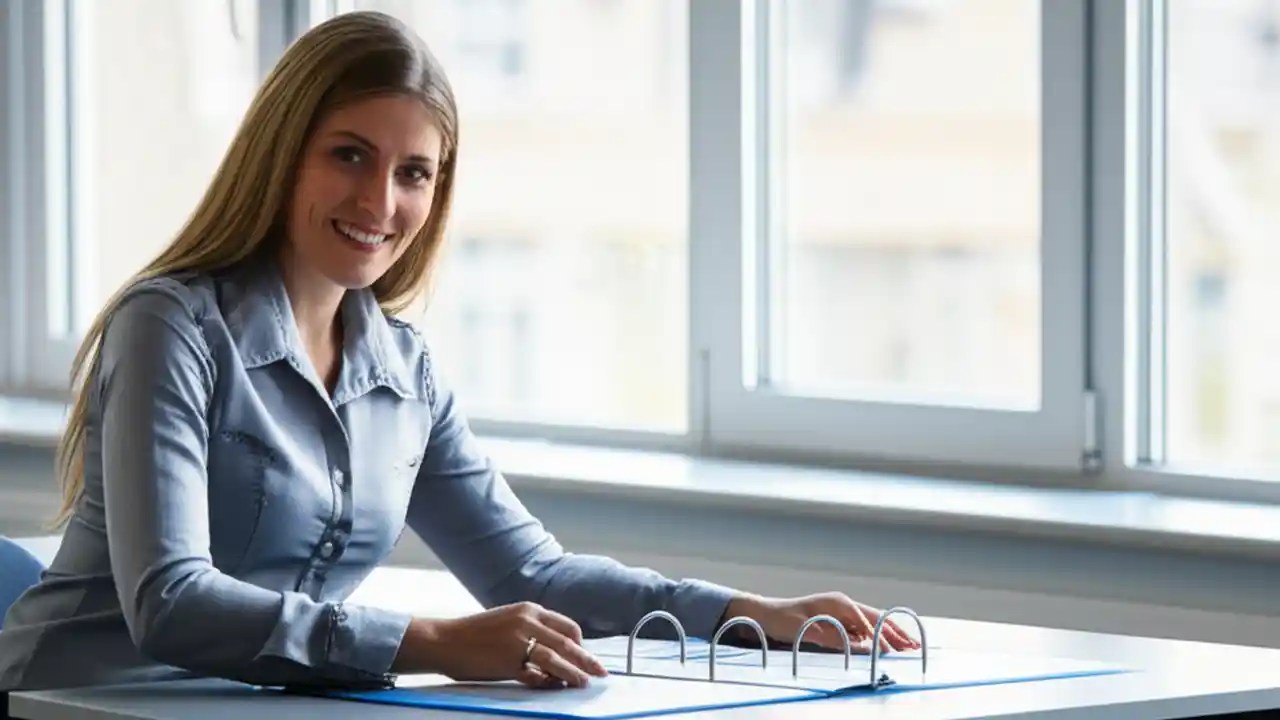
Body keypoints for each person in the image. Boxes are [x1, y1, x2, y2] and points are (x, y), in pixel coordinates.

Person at [0, 10, 917, 700]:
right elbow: (173, 601)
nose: (381, 201)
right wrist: (427, 641)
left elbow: (531, 575)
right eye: (349, 155)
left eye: (414, 173)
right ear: (282, 157)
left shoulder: (405, 371)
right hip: (77, 704)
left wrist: (746, 615)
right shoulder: (171, 327)